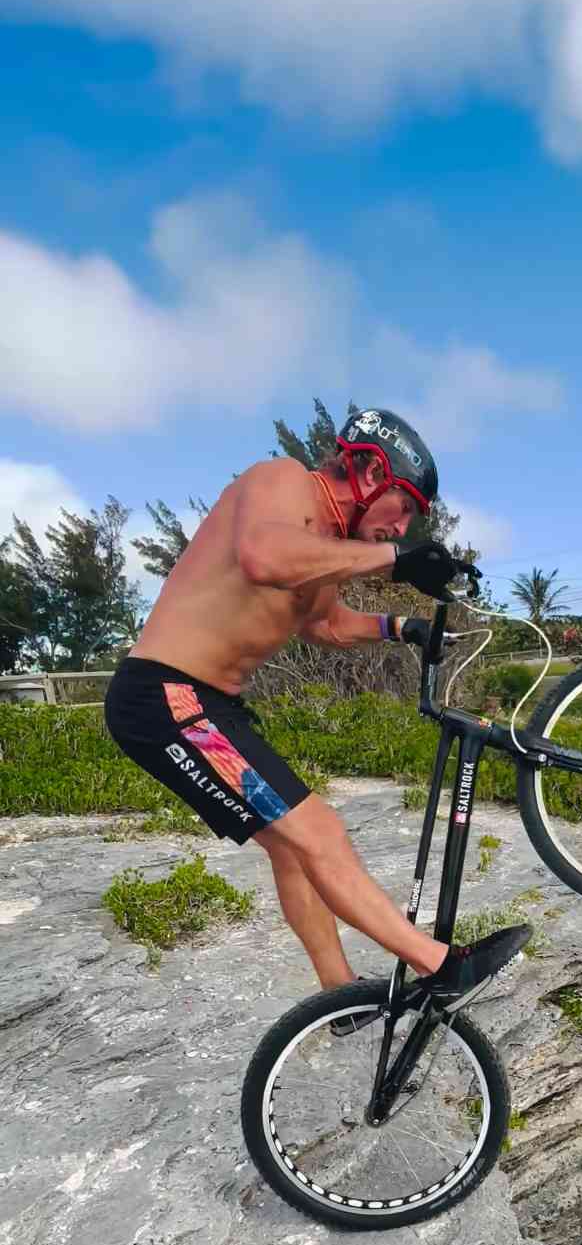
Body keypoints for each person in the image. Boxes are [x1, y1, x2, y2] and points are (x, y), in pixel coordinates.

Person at [105, 408, 529, 1005]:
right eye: (403, 507)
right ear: (369, 471)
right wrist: (397, 561)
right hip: (167, 695)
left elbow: (326, 624)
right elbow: (263, 557)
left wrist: (401, 627)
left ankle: (339, 998)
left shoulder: (326, 548)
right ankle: (440, 964)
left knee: (294, 848)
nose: (401, 527)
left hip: (206, 705)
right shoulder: (283, 481)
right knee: (318, 831)